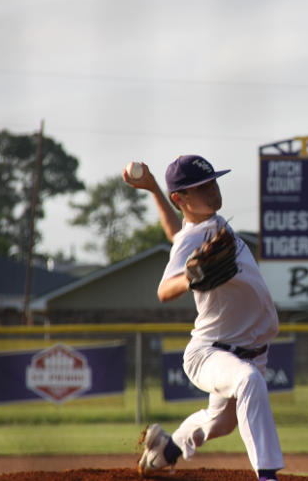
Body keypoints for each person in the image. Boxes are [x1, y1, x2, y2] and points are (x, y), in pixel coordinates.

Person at [123, 155, 284, 481]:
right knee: (248, 382)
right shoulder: (196, 237)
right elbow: (164, 290)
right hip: (212, 353)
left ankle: (164, 451)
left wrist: (153, 187)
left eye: (212, 182)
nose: (212, 190)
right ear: (181, 198)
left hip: (250, 351)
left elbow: (175, 233)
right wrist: (191, 277)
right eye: (201, 187)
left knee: (220, 423)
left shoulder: (208, 226)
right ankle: (268, 477)